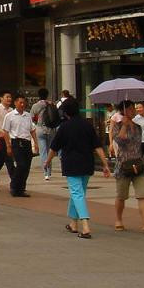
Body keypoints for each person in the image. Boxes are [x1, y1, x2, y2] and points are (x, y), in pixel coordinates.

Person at [45, 96, 111, 239]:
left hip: (71, 164)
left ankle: (85, 225)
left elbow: (54, 147)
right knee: (78, 193)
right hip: (87, 163)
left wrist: (47, 161)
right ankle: (73, 223)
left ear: (66, 112)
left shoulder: (64, 127)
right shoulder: (88, 125)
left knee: (77, 193)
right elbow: (97, 146)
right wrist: (105, 164)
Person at [110, 100, 144, 234]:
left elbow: (138, 144)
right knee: (121, 196)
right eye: (130, 109)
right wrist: (124, 126)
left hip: (138, 164)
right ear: (123, 110)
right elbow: (119, 141)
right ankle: (118, 220)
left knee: (143, 195)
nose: (133, 111)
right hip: (123, 165)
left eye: (133, 108)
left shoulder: (137, 127)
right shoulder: (117, 125)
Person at [2, 94, 39, 197]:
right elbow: (5, 132)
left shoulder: (27, 115)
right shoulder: (9, 116)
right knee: (21, 165)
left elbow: (32, 130)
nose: (22, 105)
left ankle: (21, 189)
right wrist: (8, 146)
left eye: (24, 103)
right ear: (15, 103)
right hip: (16, 142)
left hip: (26, 142)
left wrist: (36, 143)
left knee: (26, 167)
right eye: (20, 102)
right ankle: (14, 186)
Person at [30, 88, 59, 181]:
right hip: (51, 130)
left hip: (40, 129)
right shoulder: (52, 104)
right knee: (50, 151)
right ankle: (49, 171)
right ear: (47, 95)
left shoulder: (36, 105)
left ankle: (46, 173)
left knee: (43, 153)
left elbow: (31, 117)